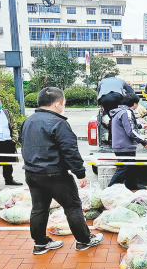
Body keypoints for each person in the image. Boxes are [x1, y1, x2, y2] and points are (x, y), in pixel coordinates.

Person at [21, 87, 104, 255]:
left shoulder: (29, 120)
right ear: (57, 104)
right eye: (63, 103)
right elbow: (70, 150)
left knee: (39, 208)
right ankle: (84, 240)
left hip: (32, 173)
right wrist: (79, 172)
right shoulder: (58, 123)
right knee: (72, 207)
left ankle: (40, 243)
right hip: (55, 174)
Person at [108, 93, 147, 190]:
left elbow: (128, 126)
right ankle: (110, 189)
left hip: (122, 145)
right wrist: (144, 142)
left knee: (130, 167)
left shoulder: (121, 111)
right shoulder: (126, 112)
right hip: (124, 145)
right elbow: (131, 131)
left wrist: (141, 126)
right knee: (123, 169)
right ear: (135, 104)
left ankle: (132, 185)